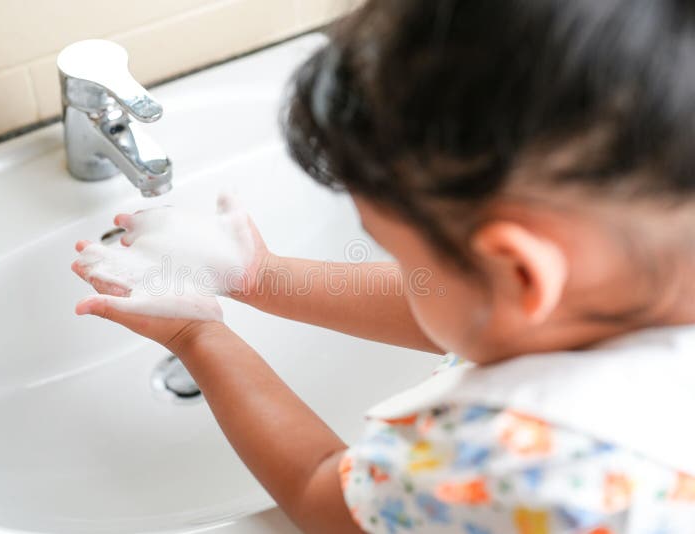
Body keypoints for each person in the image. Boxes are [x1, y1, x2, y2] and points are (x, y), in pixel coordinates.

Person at [71, 1, 695, 532]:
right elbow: (467, 308)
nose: (402, 267)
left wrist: (198, 335)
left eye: (392, 246)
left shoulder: (504, 462)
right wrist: (260, 275)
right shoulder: (644, 276)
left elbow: (327, 496)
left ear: (521, 272)